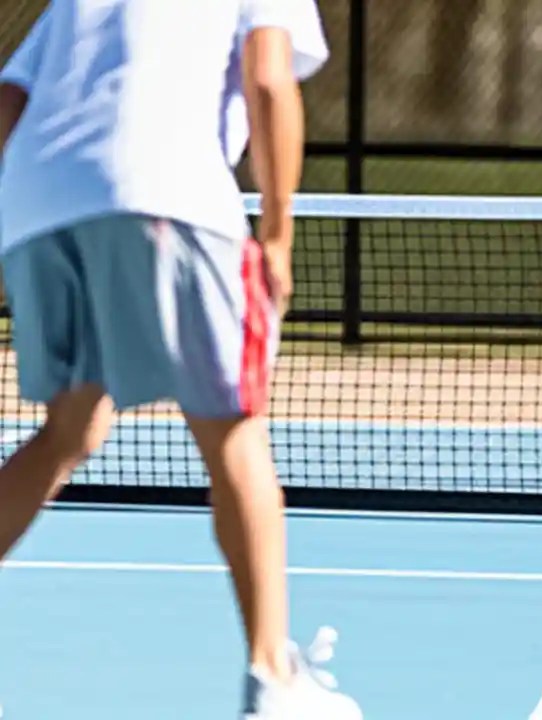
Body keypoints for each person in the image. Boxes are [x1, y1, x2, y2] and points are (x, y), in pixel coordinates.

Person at [0, 1, 363, 717]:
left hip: (36, 206)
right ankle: (274, 679)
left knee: (69, 430)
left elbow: (10, 102)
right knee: (232, 431)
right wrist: (278, 234)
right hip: (167, 194)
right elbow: (268, 80)